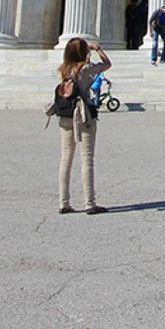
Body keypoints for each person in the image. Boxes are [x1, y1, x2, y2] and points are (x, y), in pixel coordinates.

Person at [53, 38, 111, 215]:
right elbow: (107, 64)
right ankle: (89, 203)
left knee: (66, 158)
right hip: (83, 116)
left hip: (65, 115)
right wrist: (97, 48)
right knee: (87, 159)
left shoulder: (63, 69)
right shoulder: (86, 69)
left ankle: (64, 203)